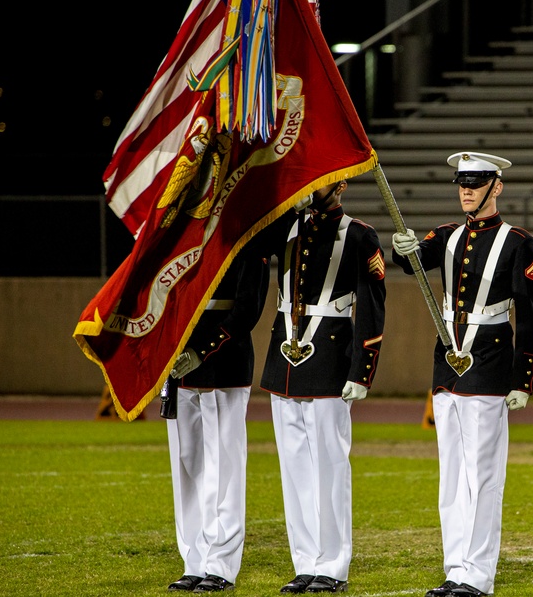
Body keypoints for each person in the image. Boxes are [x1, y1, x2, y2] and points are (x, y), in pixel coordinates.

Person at [391, 152, 533, 597]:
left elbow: (530, 317)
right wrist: (406, 250)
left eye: (476, 183)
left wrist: (523, 379)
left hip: (491, 362)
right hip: (448, 363)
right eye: (461, 182)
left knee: (482, 476)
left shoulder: (518, 243)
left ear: (496, 187)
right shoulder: (447, 234)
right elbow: (414, 262)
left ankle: (477, 575)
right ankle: (455, 568)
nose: (466, 190)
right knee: (452, 476)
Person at [256, 180, 386, 594]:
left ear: (341, 184)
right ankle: (305, 561)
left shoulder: (360, 235)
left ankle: (333, 564)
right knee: (294, 471)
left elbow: (372, 305)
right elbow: (252, 240)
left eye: (321, 177)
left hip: (330, 358)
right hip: (285, 358)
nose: (310, 184)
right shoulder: (286, 227)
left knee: (330, 467)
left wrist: (362, 371)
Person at [164, 248, 271, 593]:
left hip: (225, 358)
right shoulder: (183, 240)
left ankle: (221, 563)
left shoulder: (244, 240)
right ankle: (194, 561)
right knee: (188, 465)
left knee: (225, 466)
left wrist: (203, 350)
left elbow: (247, 309)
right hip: (180, 357)